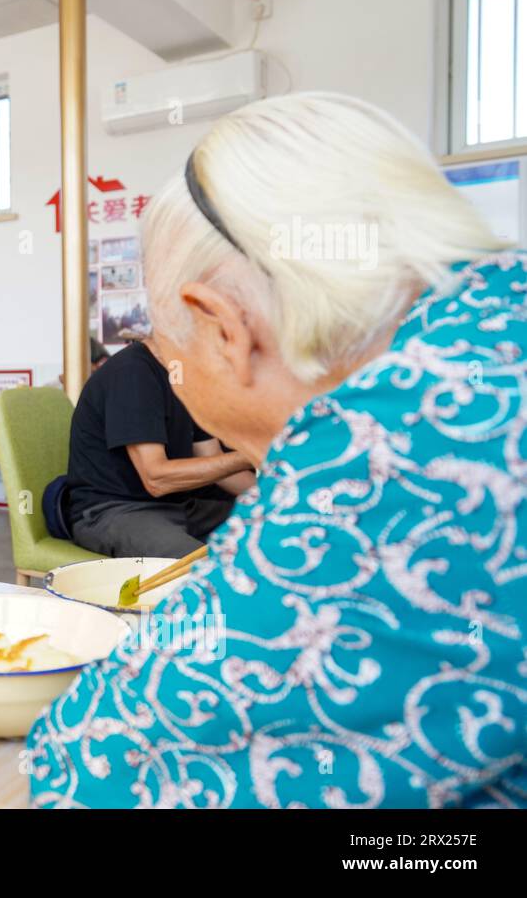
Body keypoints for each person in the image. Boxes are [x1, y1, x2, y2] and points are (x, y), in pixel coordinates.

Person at [28, 91, 525, 808]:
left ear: (222, 325)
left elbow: (88, 769)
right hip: (109, 506)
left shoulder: (389, 457)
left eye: (180, 357)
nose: (181, 381)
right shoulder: (485, 337)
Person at [64, 334, 255, 558]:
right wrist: (250, 454)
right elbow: (156, 478)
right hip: (113, 511)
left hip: (175, 506)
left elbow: (213, 458)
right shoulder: (132, 373)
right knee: (204, 567)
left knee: (265, 523)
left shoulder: (183, 375)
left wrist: (280, 491)